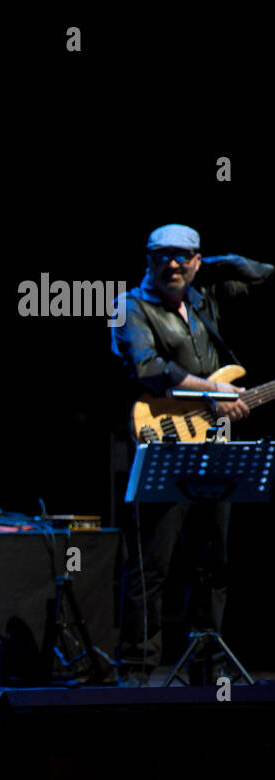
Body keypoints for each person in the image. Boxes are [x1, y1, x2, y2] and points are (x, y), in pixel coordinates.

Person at [110, 224, 249, 687]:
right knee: (152, 562)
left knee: (215, 558)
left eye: (182, 257)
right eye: (162, 256)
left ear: (196, 261)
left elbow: (263, 274)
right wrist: (214, 390)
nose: (172, 264)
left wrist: (218, 263)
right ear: (148, 260)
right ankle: (135, 667)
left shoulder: (204, 302)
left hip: (211, 444)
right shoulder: (129, 306)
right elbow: (148, 368)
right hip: (161, 438)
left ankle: (208, 662)